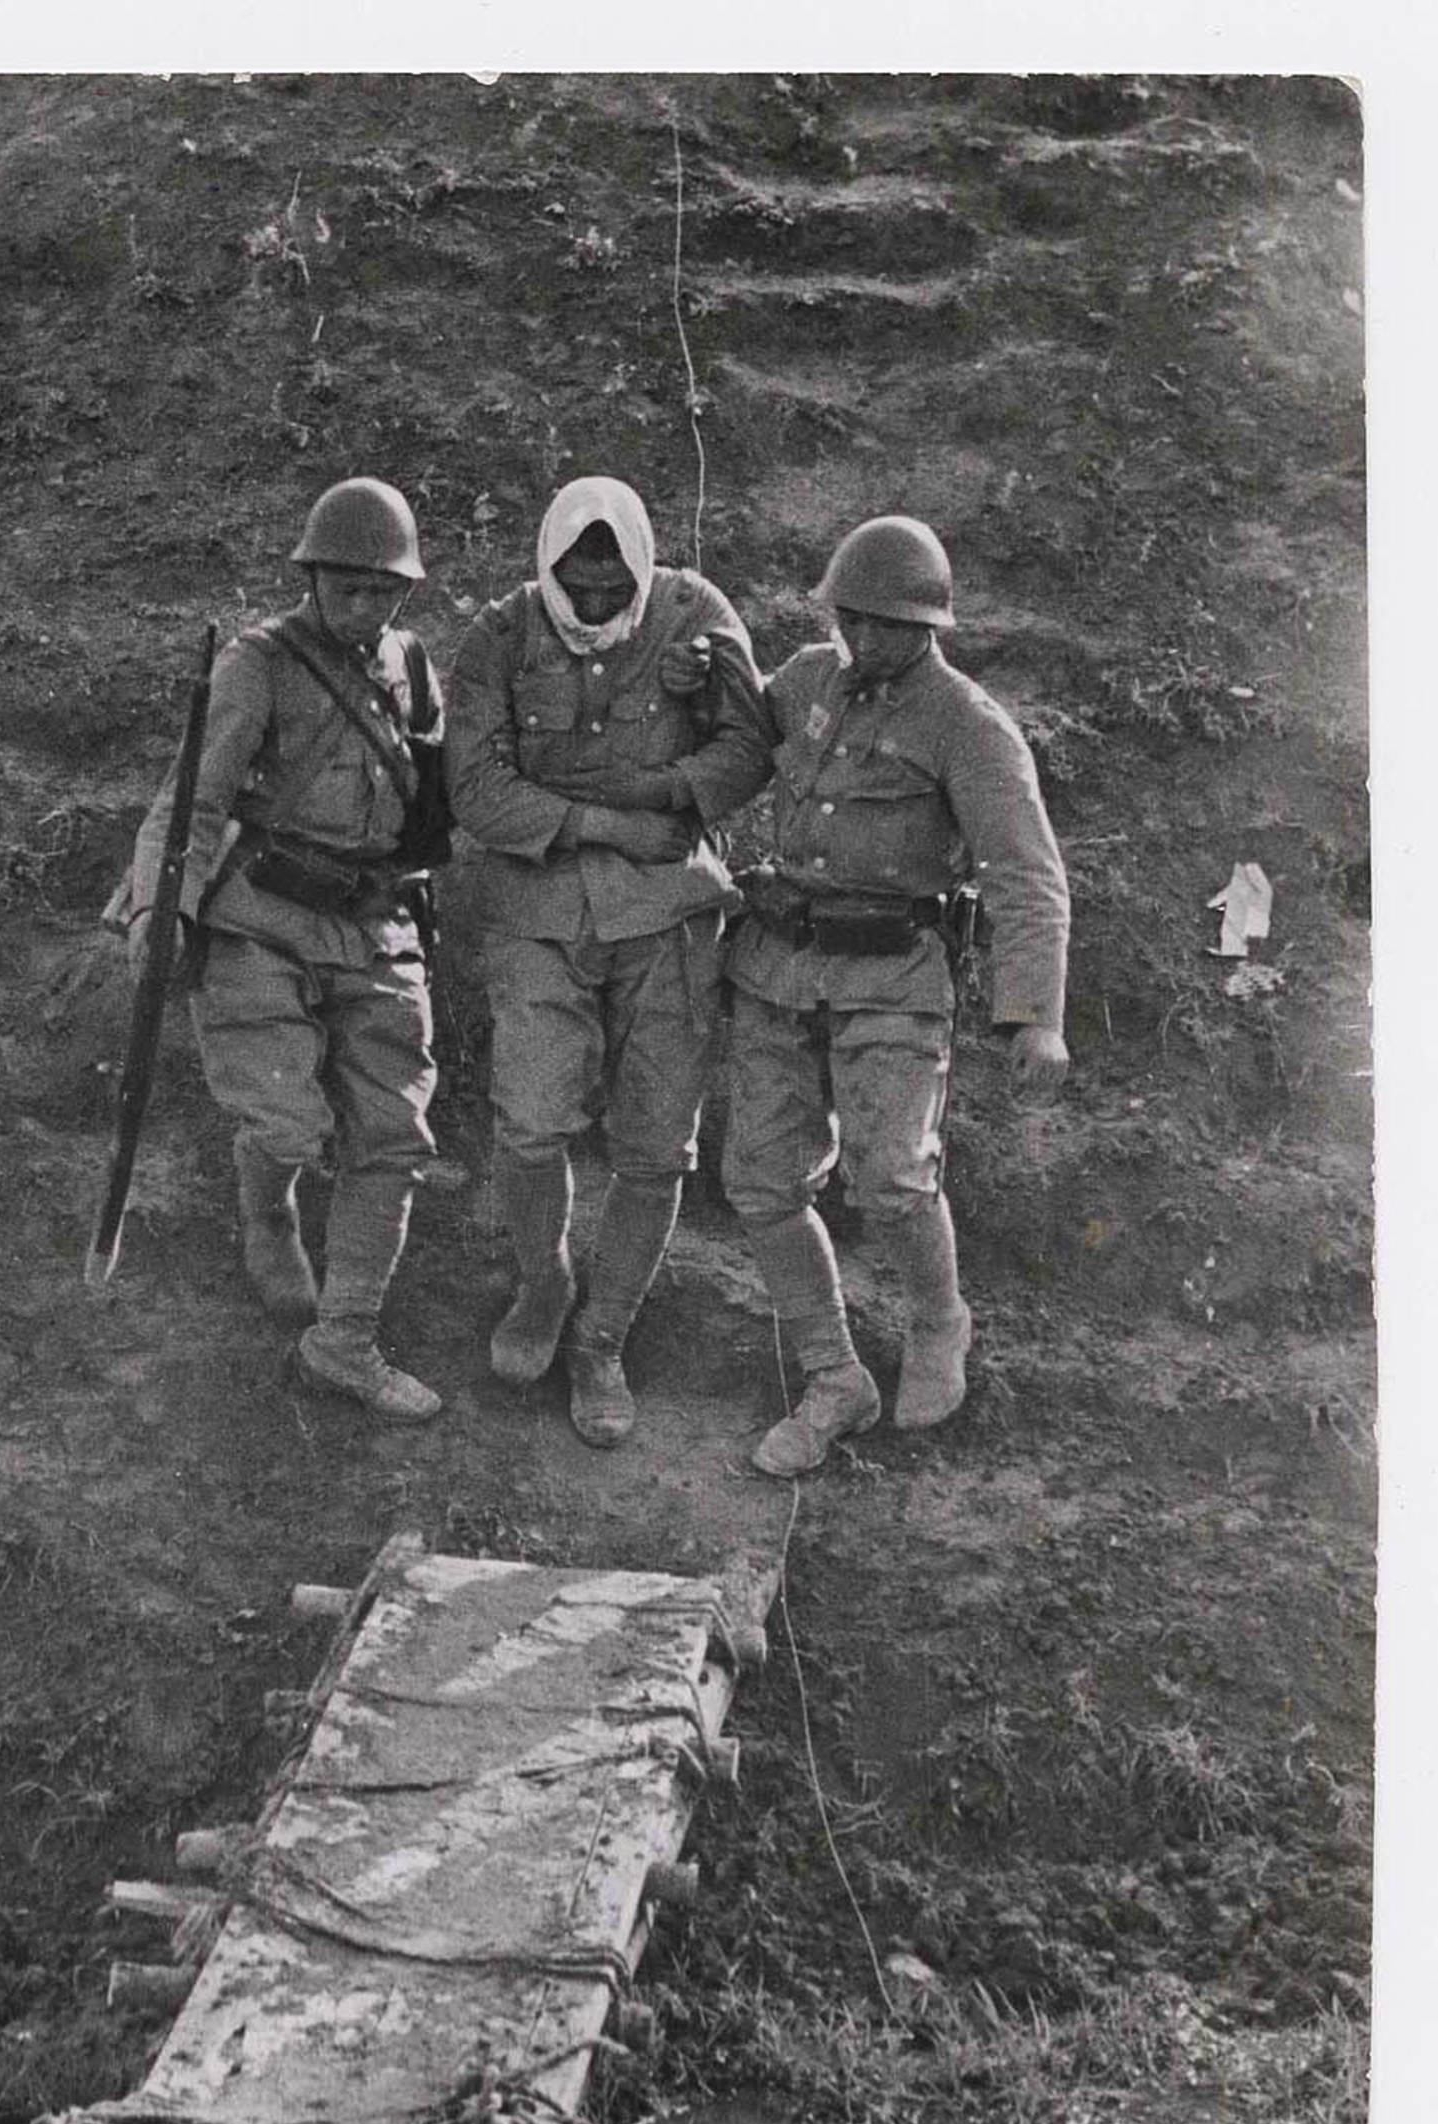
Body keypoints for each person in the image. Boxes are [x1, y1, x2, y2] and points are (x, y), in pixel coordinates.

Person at [722, 514, 1071, 1476]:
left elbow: (1025, 877)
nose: (864, 642)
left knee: (891, 1176)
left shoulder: (968, 726)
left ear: (929, 627)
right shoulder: (799, 684)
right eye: (851, 621)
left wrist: (1034, 1015)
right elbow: (725, 756)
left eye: (886, 625)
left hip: (893, 980)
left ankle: (935, 1324)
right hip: (776, 968)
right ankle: (833, 1370)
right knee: (759, 1179)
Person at [447, 476, 773, 1448]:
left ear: (637, 567)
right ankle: (542, 1286)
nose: (592, 605)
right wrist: (609, 825)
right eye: (574, 588)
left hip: (667, 922)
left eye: (609, 589)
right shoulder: (498, 638)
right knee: (532, 1117)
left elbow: (748, 752)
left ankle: (602, 1335)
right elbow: (476, 790)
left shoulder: (694, 615)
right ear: (546, 566)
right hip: (537, 914)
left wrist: (669, 782)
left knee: (654, 1141)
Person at [125, 477, 445, 1423]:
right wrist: (161, 916)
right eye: (345, 587)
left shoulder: (415, 668)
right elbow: (188, 805)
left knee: (394, 1139)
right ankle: (268, 1211)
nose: (363, 606)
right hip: (262, 918)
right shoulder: (258, 665)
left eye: (381, 591)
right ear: (312, 580)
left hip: (377, 926)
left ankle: (344, 1340)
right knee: (286, 1124)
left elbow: (434, 804)